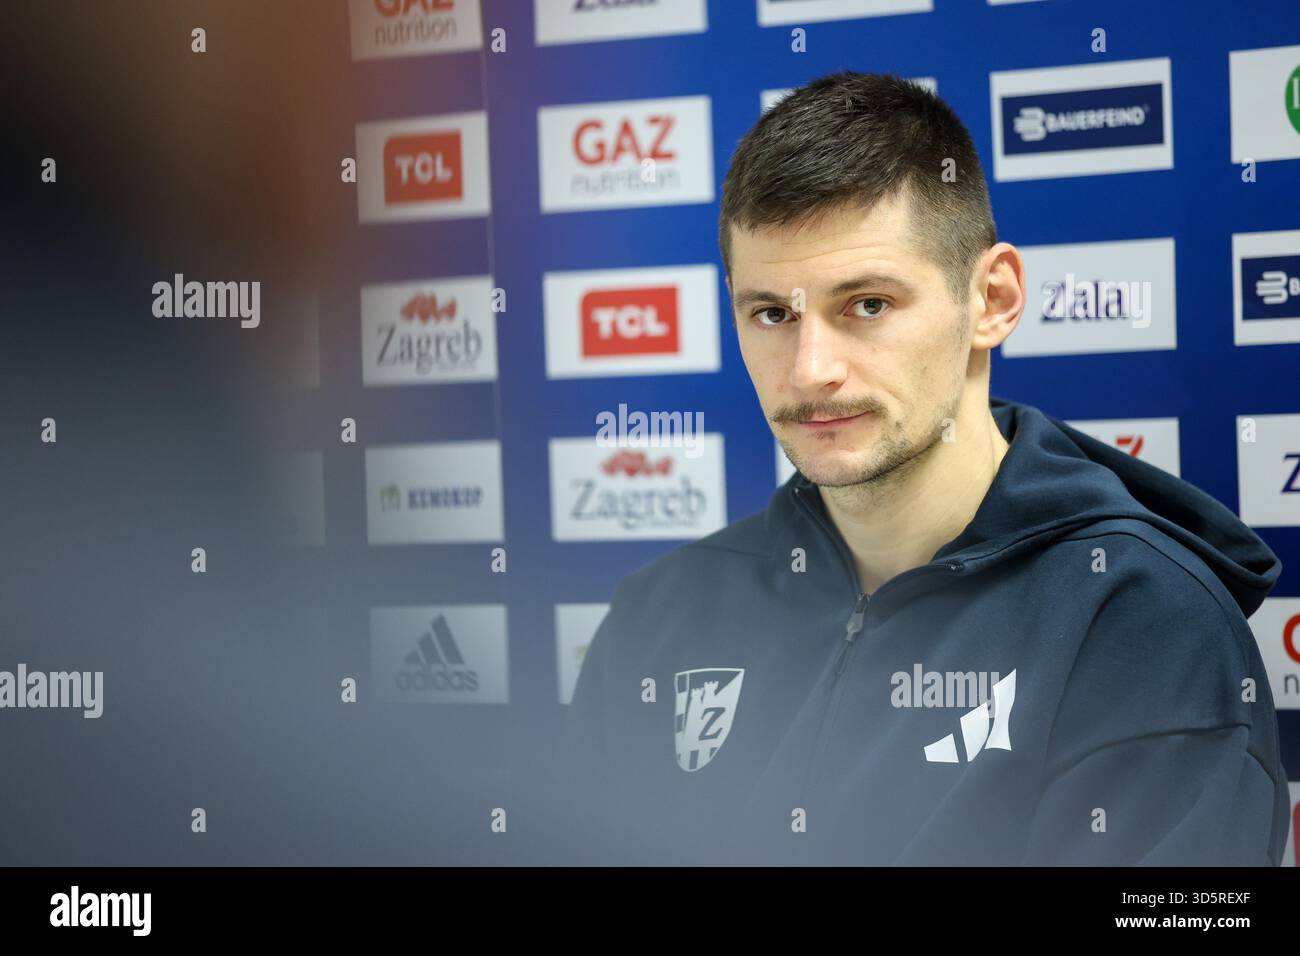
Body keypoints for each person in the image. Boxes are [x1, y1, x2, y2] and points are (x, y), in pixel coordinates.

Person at [532, 71, 1289, 866]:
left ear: (991, 298)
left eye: (867, 304)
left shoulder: (1143, 626)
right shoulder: (660, 618)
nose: (811, 368)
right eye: (773, 314)